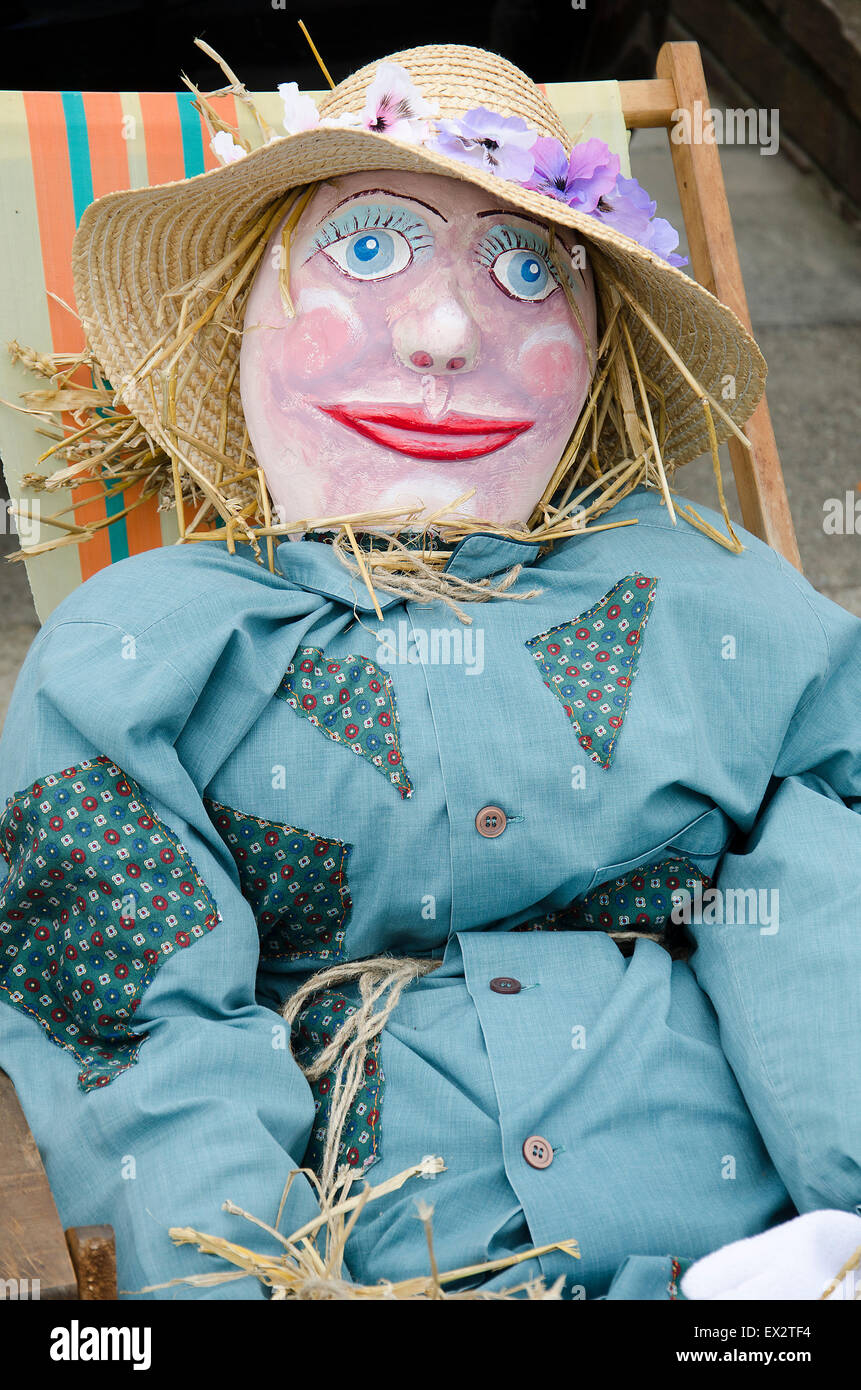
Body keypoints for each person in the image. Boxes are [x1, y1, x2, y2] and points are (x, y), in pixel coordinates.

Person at [0, 43, 858, 1301]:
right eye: (367, 248)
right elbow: (133, 1023)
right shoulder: (141, 656)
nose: (452, 331)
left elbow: (829, 865)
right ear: (243, 307)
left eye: (526, 272)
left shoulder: (710, 602)